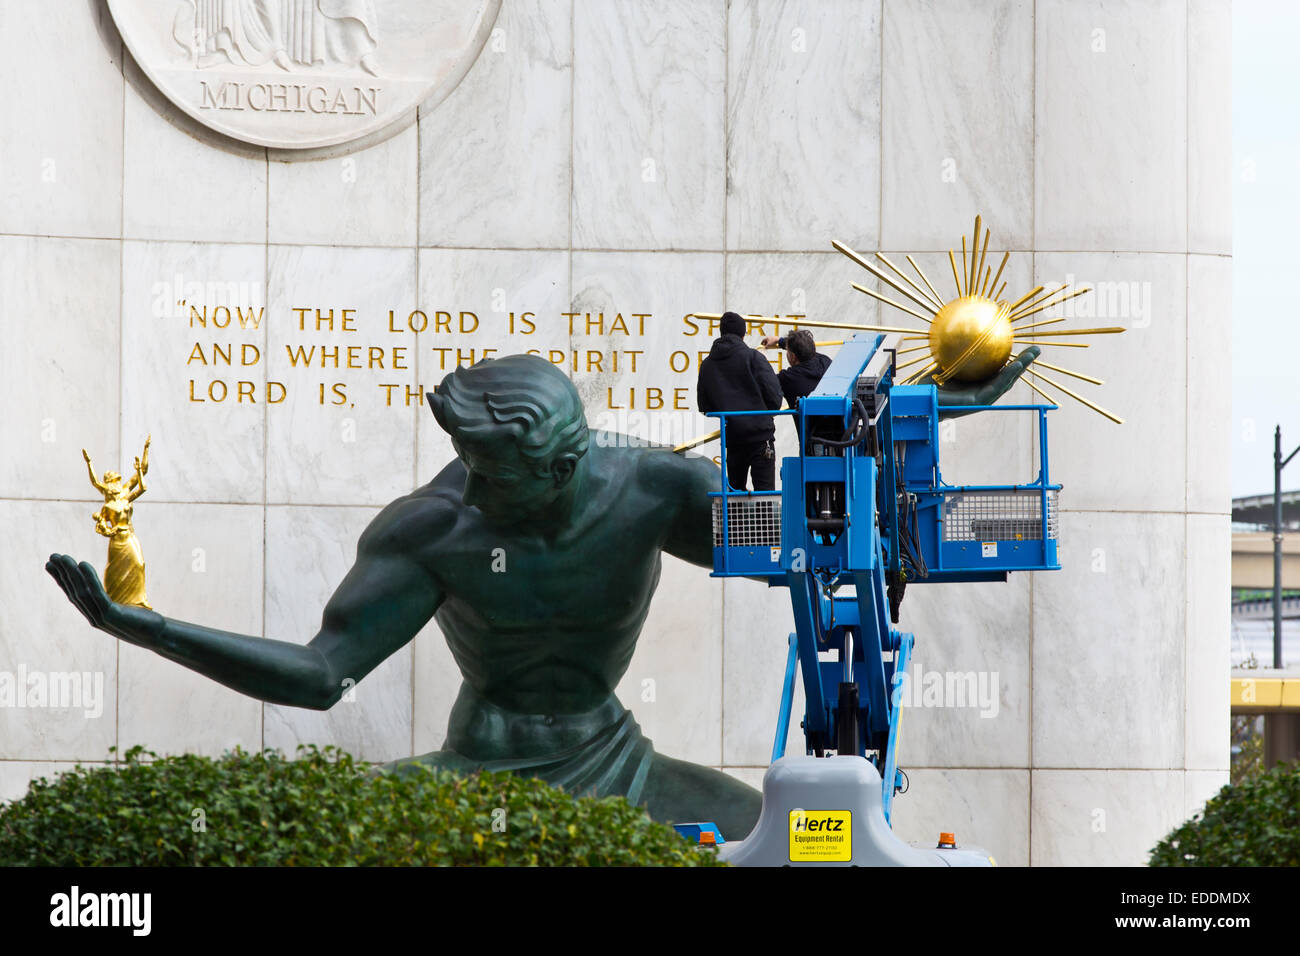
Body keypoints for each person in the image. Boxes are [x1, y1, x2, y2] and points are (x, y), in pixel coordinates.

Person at [47, 355, 764, 840]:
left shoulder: (661, 491)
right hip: (474, 776)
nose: (473, 490)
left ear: (564, 467)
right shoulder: (433, 528)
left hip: (615, 760)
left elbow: (800, 548)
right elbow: (324, 674)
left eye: (495, 475)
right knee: (306, 830)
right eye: (467, 466)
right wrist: (154, 628)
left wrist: (871, 536)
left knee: (786, 837)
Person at [696, 312, 782, 491]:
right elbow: (775, 398)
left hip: (733, 439)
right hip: (761, 438)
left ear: (721, 332)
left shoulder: (707, 364)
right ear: (743, 334)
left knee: (735, 501)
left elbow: (704, 406)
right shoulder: (753, 357)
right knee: (764, 499)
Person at [762, 329, 832, 410]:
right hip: (838, 419)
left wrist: (760, 358)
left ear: (793, 357)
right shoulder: (824, 361)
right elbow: (807, 349)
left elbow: (764, 382)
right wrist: (780, 341)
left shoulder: (787, 378)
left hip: (807, 422)